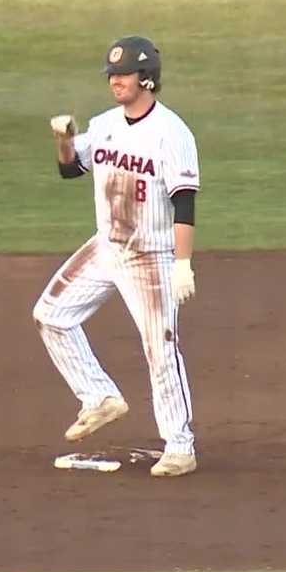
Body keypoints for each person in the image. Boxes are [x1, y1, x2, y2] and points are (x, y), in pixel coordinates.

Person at [32, 35, 201, 478]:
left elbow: (184, 200)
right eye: (112, 76)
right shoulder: (106, 123)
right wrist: (64, 140)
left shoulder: (171, 133)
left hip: (151, 256)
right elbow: (71, 168)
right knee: (51, 315)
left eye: (122, 75)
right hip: (107, 246)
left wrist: (182, 263)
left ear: (146, 78)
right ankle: (99, 397)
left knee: (160, 349)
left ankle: (180, 446)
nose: (115, 82)